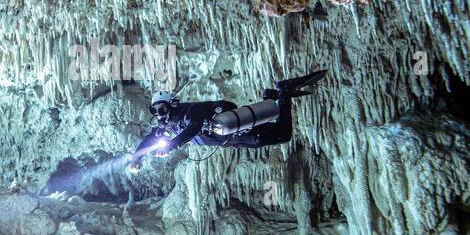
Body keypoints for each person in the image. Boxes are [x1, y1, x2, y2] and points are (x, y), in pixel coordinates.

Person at [127, 70, 326, 172]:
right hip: (232, 140)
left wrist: (171, 145)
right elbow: (150, 139)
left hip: (238, 132)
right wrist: (136, 157)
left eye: (162, 108)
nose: (160, 114)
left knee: (284, 134)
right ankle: (271, 95)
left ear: (172, 104)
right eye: (155, 110)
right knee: (273, 133)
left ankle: (284, 91)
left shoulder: (187, 112)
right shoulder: (167, 125)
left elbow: (194, 127)